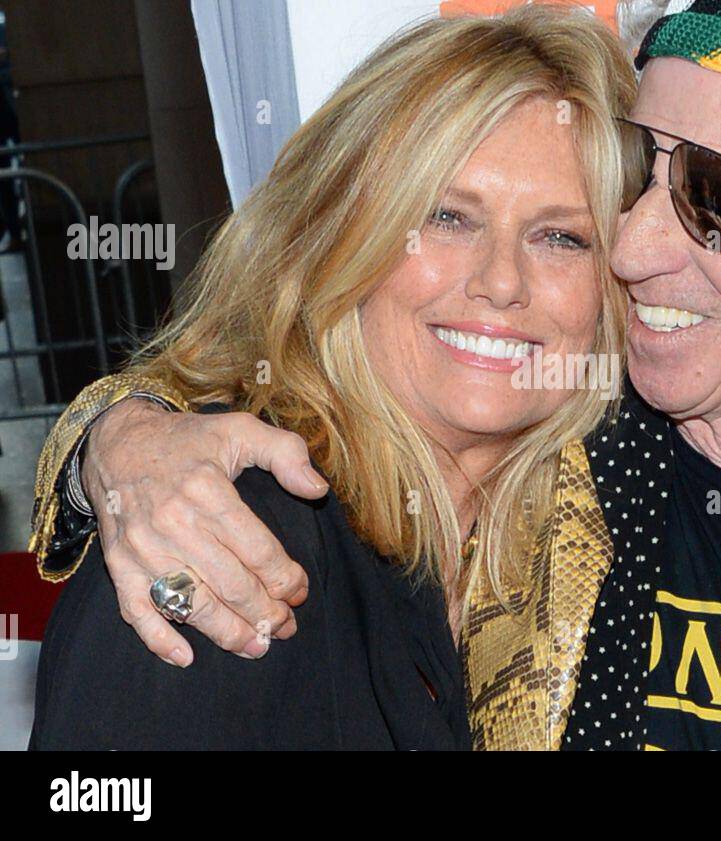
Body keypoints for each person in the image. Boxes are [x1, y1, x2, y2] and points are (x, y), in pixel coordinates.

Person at [31, 0, 721, 751]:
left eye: (712, 196)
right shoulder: (545, 454)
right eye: (634, 177)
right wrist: (123, 442)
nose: (638, 244)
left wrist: (114, 443)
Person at [29, 5, 634, 749]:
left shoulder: (616, 517)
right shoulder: (221, 546)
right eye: (446, 216)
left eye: (560, 236)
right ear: (338, 235)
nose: (502, 282)